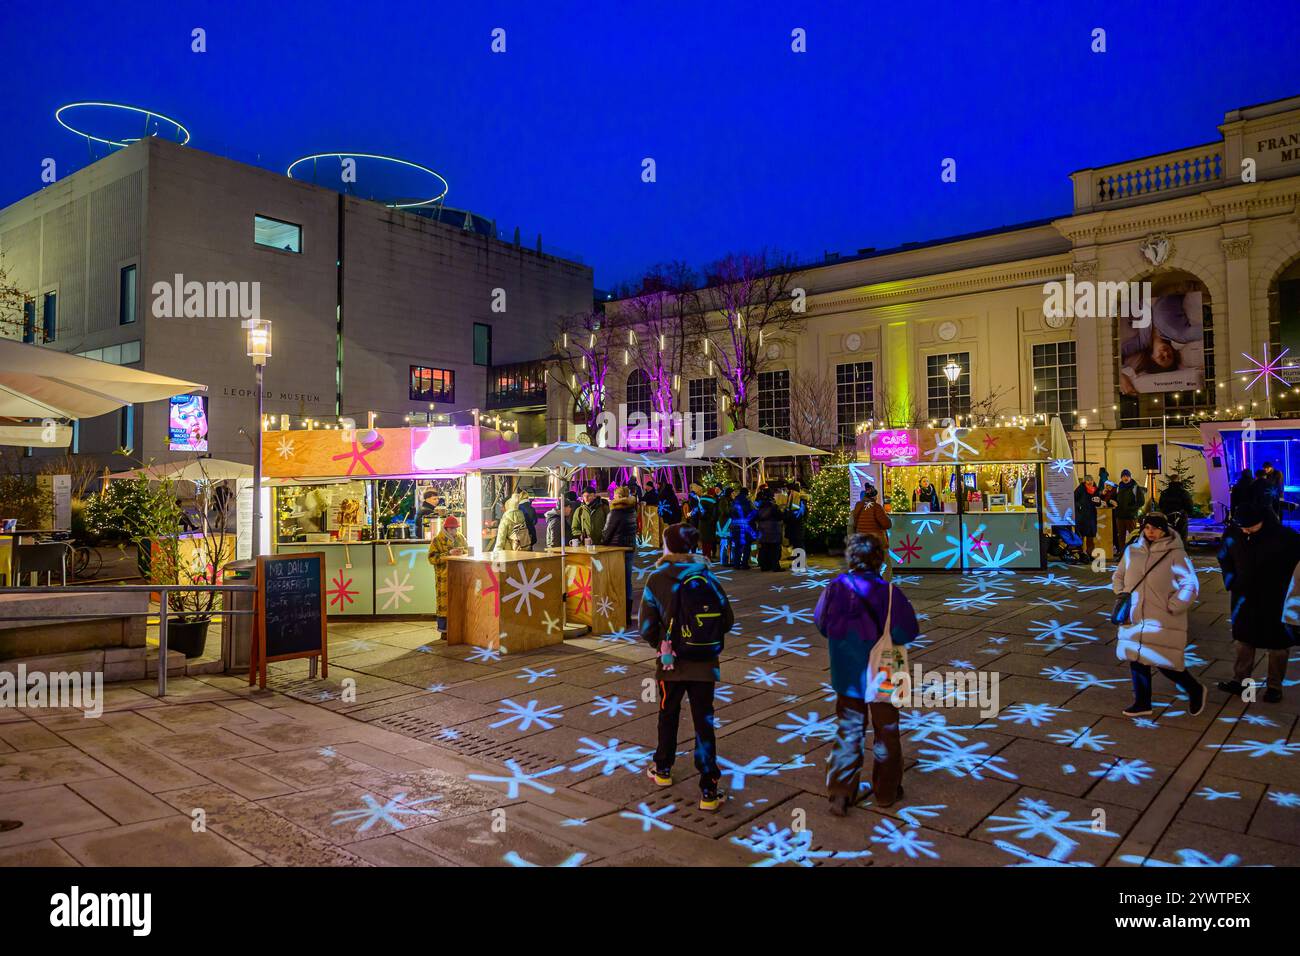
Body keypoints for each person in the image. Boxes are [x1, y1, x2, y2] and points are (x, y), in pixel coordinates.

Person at [813, 533, 920, 813]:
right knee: (886, 730)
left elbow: (821, 623)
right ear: (878, 559)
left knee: (849, 728)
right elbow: (907, 631)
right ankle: (886, 791)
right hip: (882, 672)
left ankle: (840, 792)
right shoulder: (888, 592)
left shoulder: (834, 588)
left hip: (847, 672)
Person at [639, 523, 734, 812]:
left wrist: (663, 644)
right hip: (705, 664)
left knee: (668, 714)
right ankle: (708, 788)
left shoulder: (656, 578)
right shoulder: (707, 576)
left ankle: (663, 768)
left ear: (668, 546)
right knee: (704, 721)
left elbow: (645, 626)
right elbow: (727, 619)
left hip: (670, 665)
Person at [1111, 512, 1205, 718]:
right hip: (1134, 616)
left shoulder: (1175, 554)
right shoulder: (1132, 551)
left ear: (1164, 529)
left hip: (1162, 618)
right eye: (1147, 528)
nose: (1150, 532)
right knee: (1136, 659)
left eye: (1155, 528)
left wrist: (1174, 604)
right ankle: (1142, 702)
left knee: (1165, 663)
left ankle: (1195, 689)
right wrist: (1122, 594)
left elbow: (1190, 583)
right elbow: (1118, 575)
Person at [1217, 494, 1300, 703]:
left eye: (1250, 527)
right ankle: (1242, 684)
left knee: (1278, 646)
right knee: (1244, 641)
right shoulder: (1235, 532)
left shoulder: (1284, 536)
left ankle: (1274, 687)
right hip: (1244, 597)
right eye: (1243, 527)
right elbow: (1224, 557)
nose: (1246, 531)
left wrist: (1289, 587)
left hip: (1274, 597)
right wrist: (1231, 580)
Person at [602, 485, 639, 625]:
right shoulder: (631, 511)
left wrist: (602, 542)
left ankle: (616, 614)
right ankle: (627, 616)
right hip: (629, 549)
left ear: (618, 497)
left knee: (615, 582)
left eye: (615, 495)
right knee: (627, 582)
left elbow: (607, 532)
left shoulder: (615, 512)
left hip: (615, 551)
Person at [427, 515, 468, 632]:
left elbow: (467, 550)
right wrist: (449, 553)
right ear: (446, 528)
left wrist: (462, 552)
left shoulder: (460, 537)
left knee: (458, 602)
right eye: (452, 529)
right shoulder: (437, 540)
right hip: (443, 577)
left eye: (456, 528)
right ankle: (444, 630)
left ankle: (457, 630)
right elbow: (432, 558)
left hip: (459, 575)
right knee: (444, 603)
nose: (455, 531)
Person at [1113, 469, 1146, 556]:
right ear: (1121, 478)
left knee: (1133, 535)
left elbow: (1141, 501)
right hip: (1120, 516)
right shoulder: (1118, 487)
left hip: (1131, 516)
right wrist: (1112, 502)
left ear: (1130, 477)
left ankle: (1134, 553)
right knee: (1121, 536)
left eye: (1127, 476)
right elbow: (1113, 499)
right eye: (1123, 476)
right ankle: (1122, 553)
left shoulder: (1136, 487)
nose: (1125, 478)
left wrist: (1131, 508)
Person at [754, 488, 784, 571]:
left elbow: (756, 517)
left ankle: (764, 566)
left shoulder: (760, 507)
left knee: (764, 549)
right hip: (773, 531)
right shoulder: (773, 507)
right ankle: (775, 566)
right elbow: (780, 516)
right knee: (774, 549)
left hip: (763, 532)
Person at [1074, 475, 1102, 557]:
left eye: (1091, 480)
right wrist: (1079, 506)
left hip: (1091, 517)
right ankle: (1080, 553)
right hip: (1081, 517)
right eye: (1088, 481)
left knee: (1090, 537)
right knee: (1080, 536)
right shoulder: (1080, 489)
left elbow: (1098, 501)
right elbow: (1073, 499)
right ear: (1084, 482)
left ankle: (1090, 554)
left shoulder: (1096, 490)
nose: (1090, 482)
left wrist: (1098, 502)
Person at [729, 487, 755, 569]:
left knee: (737, 546)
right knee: (747, 546)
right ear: (746, 493)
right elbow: (753, 513)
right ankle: (744, 564)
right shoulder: (748, 502)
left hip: (735, 526)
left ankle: (736, 564)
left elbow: (730, 513)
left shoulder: (734, 502)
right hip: (746, 526)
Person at [784, 481, 807, 556]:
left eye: (788, 490)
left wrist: (788, 516)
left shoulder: (798, 499)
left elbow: (799, 513)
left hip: (796, 526)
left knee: (798, 544)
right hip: (794, 526)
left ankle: (800, 563)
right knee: (796, 544)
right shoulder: (792, 498)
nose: (787, 491)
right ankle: (797, 562)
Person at [715, 487, 734, 564]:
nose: (734, 494)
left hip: (726, 524)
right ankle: (724, 561)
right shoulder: (724, 501)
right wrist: (732, 509)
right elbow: (725, 512)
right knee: (724, 542)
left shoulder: (728, 500)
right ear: (729, 493)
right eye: (732, 493)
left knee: (728, 542)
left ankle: (728, 560)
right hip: (724, 525)